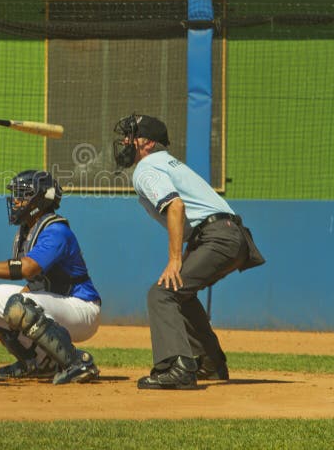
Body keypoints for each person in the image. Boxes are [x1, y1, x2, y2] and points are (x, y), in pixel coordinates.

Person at [113, 113, 265, 390]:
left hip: (217, 237)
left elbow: (176, 206)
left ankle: (177, 367)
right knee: (179, 294)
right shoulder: (167, 162)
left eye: (131, 136)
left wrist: (175, 260)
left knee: (162, 294)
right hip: (230, 234)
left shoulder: (146, 168)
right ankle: (211, 363)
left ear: (147, 143)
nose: (124, 141)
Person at [0, 170, 102, 385]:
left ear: (41, 199)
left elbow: (27, 269)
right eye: (16, 194)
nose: (16, 200)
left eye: (23, 195)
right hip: (57, 303)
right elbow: (35, 282)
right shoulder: (27, 230)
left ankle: (77, 362)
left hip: (81, 308)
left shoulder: (56, 230)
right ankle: (37, 362)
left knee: (20, 306)